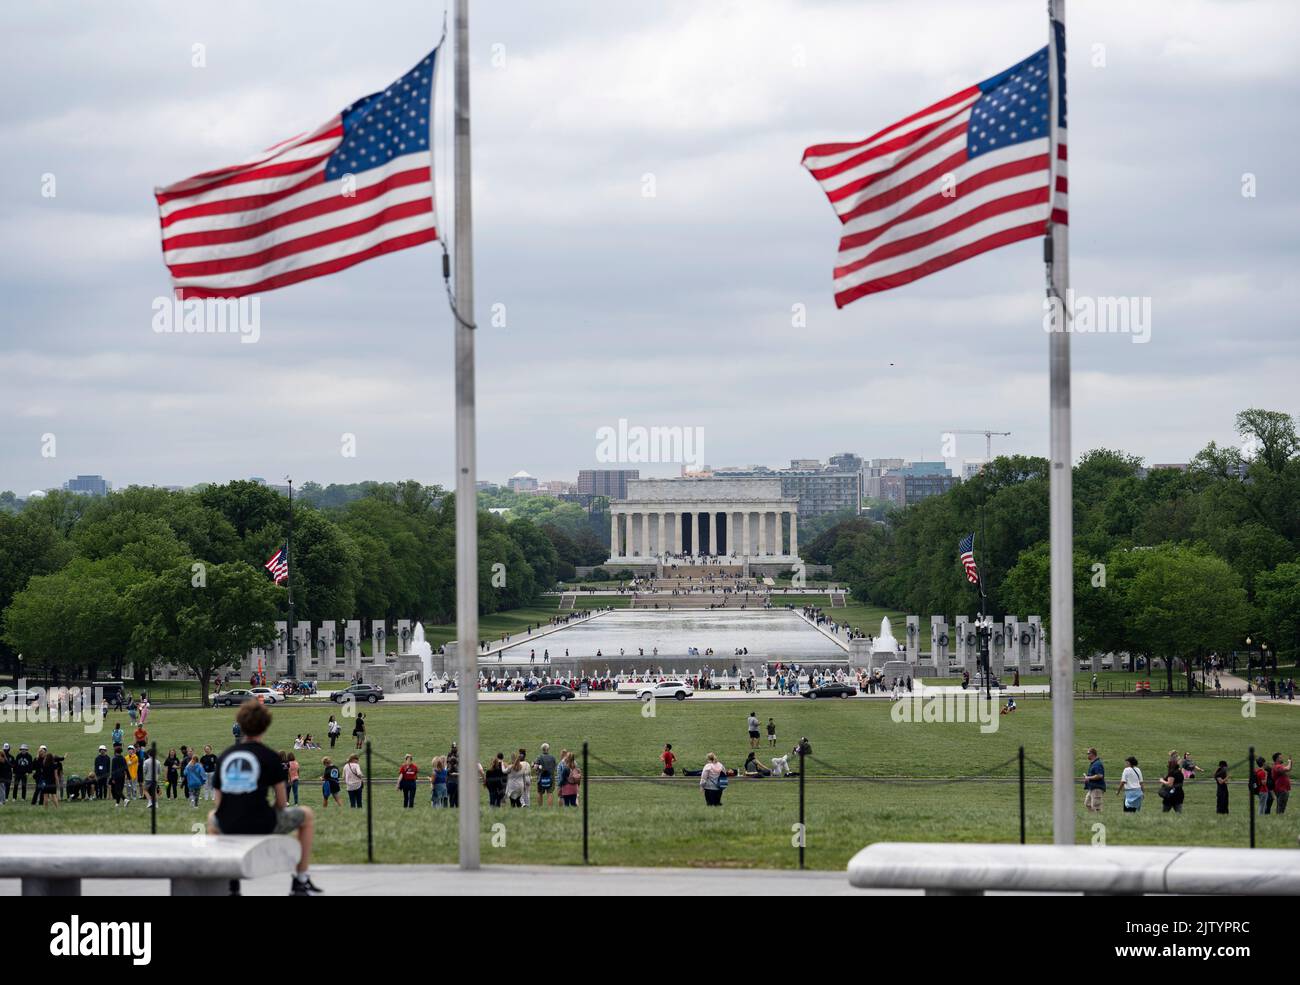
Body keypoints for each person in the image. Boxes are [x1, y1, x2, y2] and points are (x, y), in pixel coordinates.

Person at [209, 700, 320, 896]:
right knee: (307, 815)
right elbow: (280, 800)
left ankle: (230, 883)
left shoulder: (226, 756)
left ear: (240, 725)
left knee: (212, 818)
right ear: (266, 726)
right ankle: (301, 880)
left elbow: (218, 801)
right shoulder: (270, 756)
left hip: (229, 824)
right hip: (263, 823)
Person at [533, 743, 557, 807]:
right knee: (550, 793)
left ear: (542, 749)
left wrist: (534, 766)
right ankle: (549, 808)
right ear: (548, 749)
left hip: (541, 778)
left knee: (540, 793)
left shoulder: (539, 757)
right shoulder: (552, 758)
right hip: (551, 778)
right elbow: (555, 767)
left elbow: (535, 767)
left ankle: (540, 807)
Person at [1082, 747, 1105, 812]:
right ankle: (1093, 818)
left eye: (1088, 753)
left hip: (1097, 788)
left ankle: (1098, 819)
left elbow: (1100, 775)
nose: (1087, 755)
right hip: (1092, 788)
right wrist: (1087, 778)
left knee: (1096, 806)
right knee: (1087, 803)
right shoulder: (1093, 764)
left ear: (1092, 754)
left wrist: (1088, 778)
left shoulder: (1097, 764)